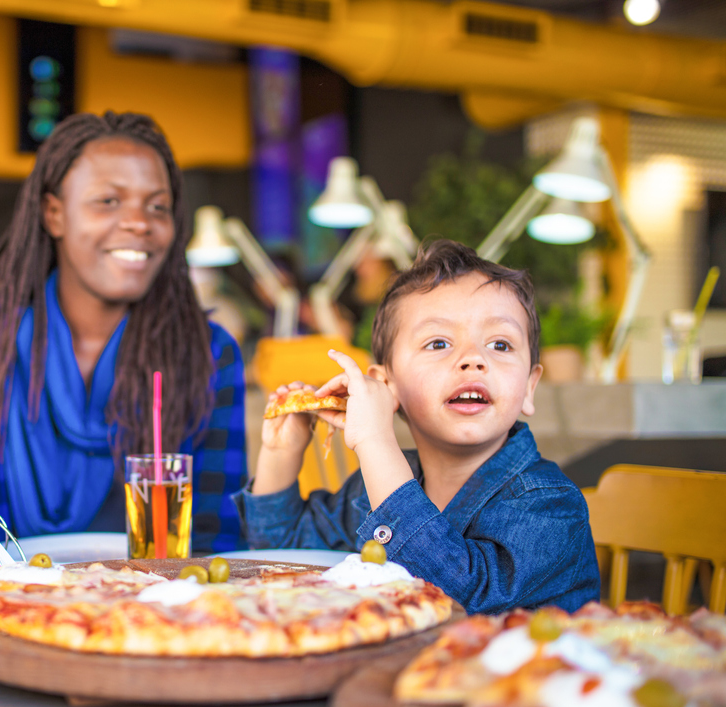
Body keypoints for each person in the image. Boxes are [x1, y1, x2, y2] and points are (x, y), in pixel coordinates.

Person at [0, 111, 247, 553]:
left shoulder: (208, 353)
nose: (141, 223)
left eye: (158, 206)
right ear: (54, 214)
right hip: (6, 610)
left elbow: (220, 541)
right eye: (109, 201)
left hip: (156, 611)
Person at [239, 240, 599, 615]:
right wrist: (282, 453)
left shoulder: (550, 505)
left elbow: (459, 600)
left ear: (528, 386)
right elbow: (279, 555)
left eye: (501, 344)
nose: (473, 359)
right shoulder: (368, 494)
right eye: (439, 342)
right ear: (386, 387)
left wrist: (376, 441)